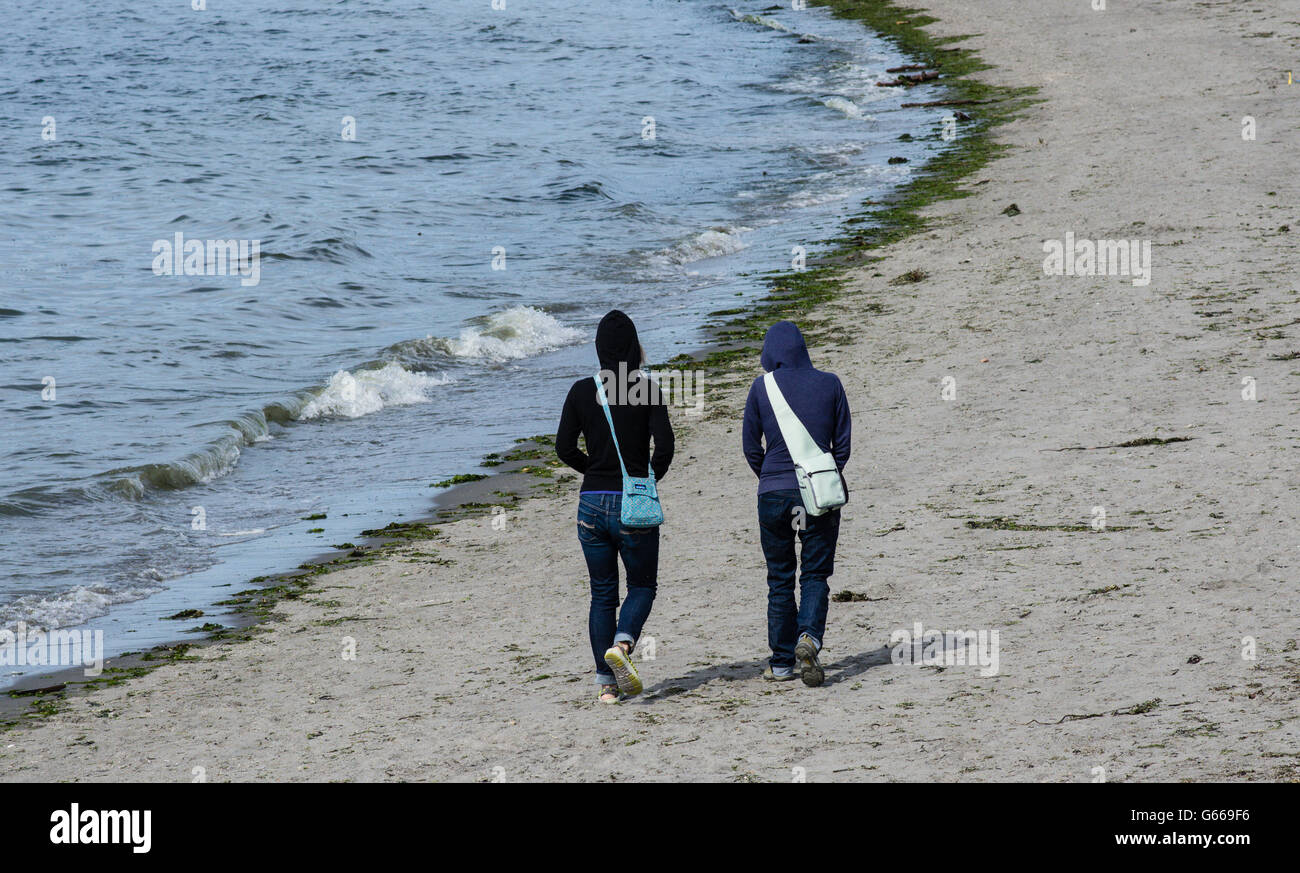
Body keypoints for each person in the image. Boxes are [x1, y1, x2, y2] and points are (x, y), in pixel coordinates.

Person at [556, 310, 674, 703]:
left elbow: (563, 448)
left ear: (599, 348)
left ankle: (606, 686)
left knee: (602, 593)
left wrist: (592, 470)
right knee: (641, 585)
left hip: (590, 504)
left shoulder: (579, 390)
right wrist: (647, 478)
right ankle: (622, 646)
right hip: (631, 501)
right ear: (633, 346)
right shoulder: (647, 389)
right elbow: (666, 445)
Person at [742, 321, 850, 687]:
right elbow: (843, 447)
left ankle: (782, 663)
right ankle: (810, 637)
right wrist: (817, 478)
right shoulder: (831, 384)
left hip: (772, 496)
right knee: (815, 574)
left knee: (780, 579)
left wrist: (771, 478)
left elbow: (750, 447)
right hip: (816, 496)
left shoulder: (761, 387)